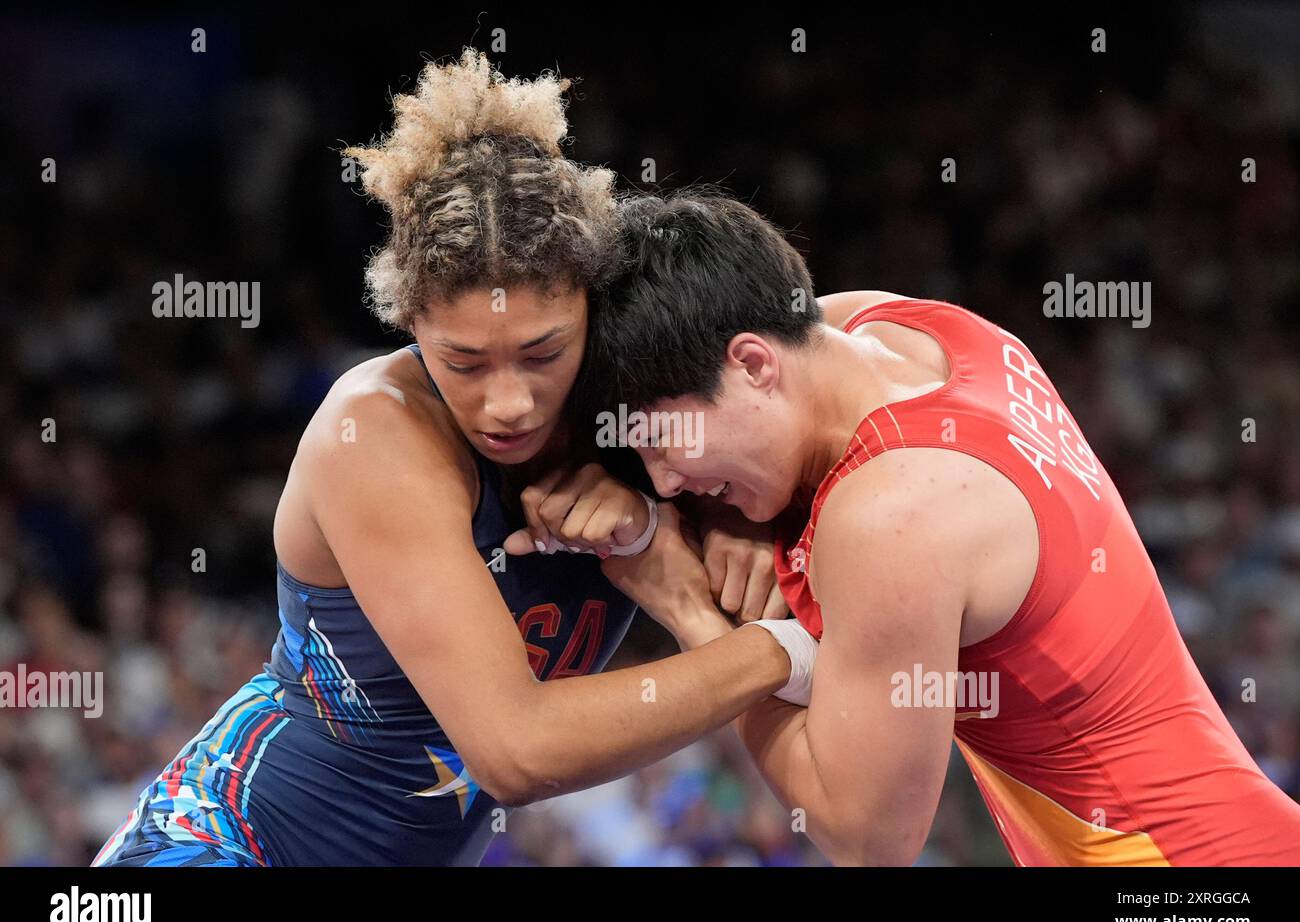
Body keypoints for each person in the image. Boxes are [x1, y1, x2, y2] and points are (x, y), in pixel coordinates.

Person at [92, 53, 806, 868]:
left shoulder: (645, 399)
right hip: (227, 844)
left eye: (543, 353)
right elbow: (518, 752)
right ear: (410, 323)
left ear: (594, 307)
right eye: (463, 362)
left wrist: (738, 509)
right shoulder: (375, 435)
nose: (509, 403)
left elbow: (832, 342)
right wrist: (777, 654)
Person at [587, 188, 1300, 865]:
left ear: (752, 363)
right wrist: (727, 518)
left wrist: (687, 606)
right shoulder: (909, 328)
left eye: (661, 441)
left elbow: (867, 841)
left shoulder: (891, 518)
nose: (664, 481)